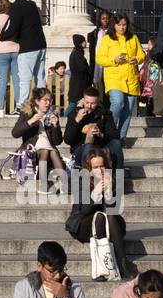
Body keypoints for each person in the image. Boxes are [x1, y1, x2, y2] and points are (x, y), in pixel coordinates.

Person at [64, 147, 128, 277]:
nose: (100, 170)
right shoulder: (80, 180)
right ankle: (104, 266)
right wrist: (96, 193)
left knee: (108, 215)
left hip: (109, 223)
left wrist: (109, 192)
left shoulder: (112, 179)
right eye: (95, 167)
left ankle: (123, 262)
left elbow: (114, 209)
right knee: (99, 217)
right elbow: (84, 210)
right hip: (83, 223)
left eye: (102, 166)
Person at [95, 14, 145, 143]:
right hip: (114, 77)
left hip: (131, 78)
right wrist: (114, 60)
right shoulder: (107, 39)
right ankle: (108, 130)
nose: (122, 27)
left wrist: (137, 59)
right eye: (119, 25)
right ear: (114, 25)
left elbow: (142, 54)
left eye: (124, 24)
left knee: (128, 110)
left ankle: (121, 138)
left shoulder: (133, 38)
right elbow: (99, 58)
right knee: (118, 102)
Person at [12, 88, 64, 195]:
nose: (48, 103)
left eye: (50, 100)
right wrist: (31, 121)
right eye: (45, 100)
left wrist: (56, 125)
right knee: (48, 151)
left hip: (49, 147)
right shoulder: (28, 112)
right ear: (37, 101)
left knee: (51, 151)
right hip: (32, 148)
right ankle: (59, 182)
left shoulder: (52, 114)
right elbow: (15, 133)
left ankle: (53, 184)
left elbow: (57, 141)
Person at [63, 84, 124, 173]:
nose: (89, 106)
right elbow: (68, 140)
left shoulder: (105, 114)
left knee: (116, 144)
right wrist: (77, 120)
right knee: (89, 147)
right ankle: (87, 182)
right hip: (81, 149)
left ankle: (118, 181)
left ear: (98, 102)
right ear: (83, 100)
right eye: (87, 102)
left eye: (93, 103)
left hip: (100, 147)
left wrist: (101, 134)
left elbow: (115, 135)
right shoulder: (75, 113)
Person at [5, 0, 47, 107]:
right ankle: (43, 103)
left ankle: (22, 106)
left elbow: (13, 28)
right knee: (40, 78)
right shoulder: (31, 5)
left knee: (24, 78)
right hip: (41, 44)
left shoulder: (15, 8)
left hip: (28, 47)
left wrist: (2, 36)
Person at [87, 9, 113, 90]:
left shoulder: (114, 33)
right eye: (103, 18)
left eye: (107, 18)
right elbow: (92, 52)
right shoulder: (94, 34)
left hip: (110, 63)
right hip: (98, 63)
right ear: (100, 20)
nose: (105, 20)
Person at [67, 34, 91, 116]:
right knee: (73, 104)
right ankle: (64, 118)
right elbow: (82, 68)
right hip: (78, 84)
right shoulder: (77, 54)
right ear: (80, 43)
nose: (86, 43)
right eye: (84, 41)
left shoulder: (78, 53)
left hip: (79, 83)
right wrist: (89, 68)